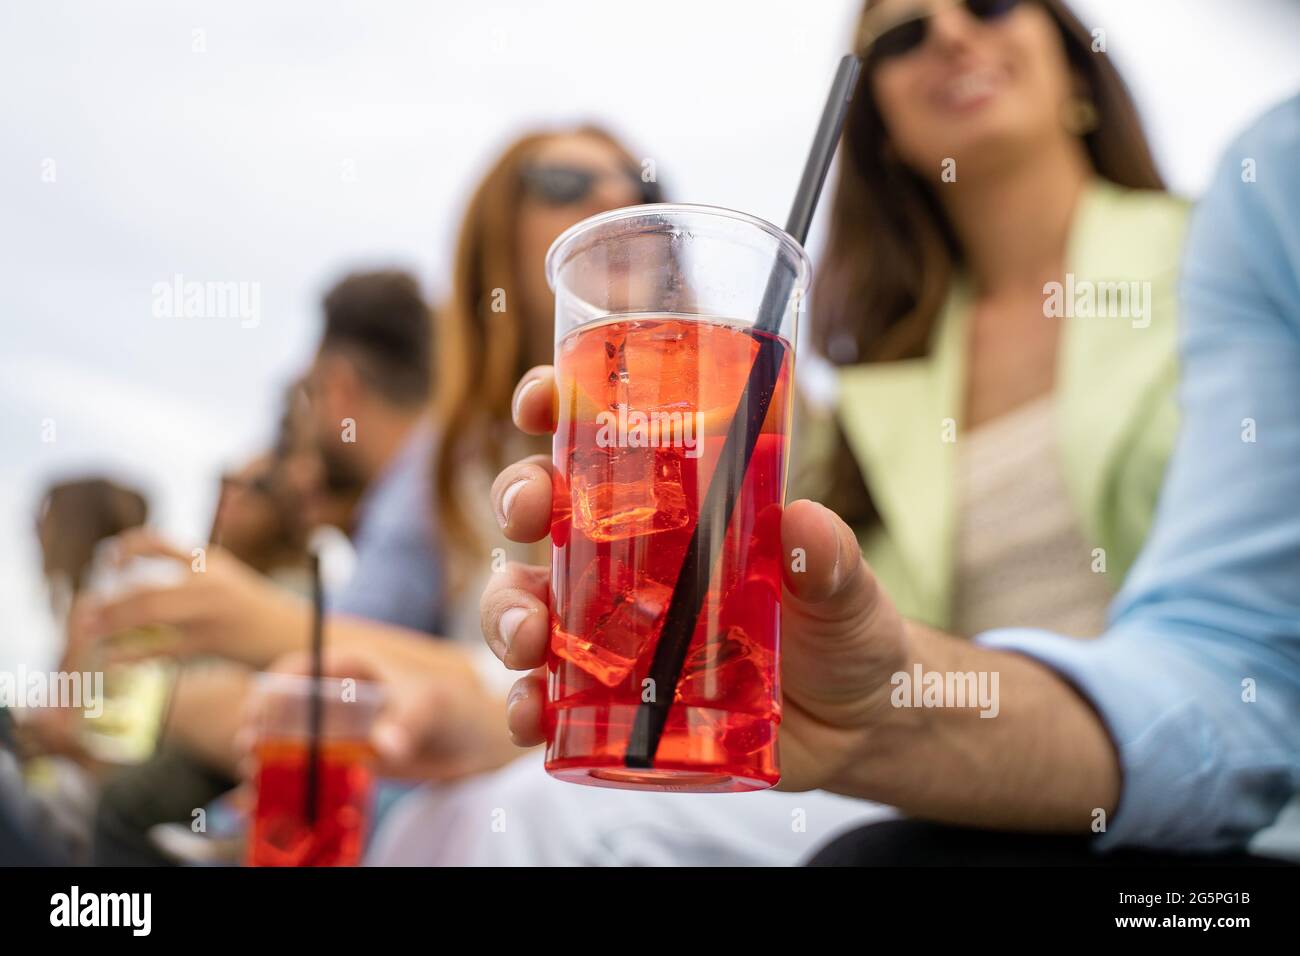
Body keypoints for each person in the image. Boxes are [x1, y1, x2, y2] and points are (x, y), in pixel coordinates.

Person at [482, 88, 1300, 861]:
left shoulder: (1210, 248)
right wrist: (869, 709)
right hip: (977, 746)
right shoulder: (887, 361)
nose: (950, 32)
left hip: (1107, 784)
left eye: (990, 2)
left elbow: (1244, 674)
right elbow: (1230, 656)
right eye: (900, 33)